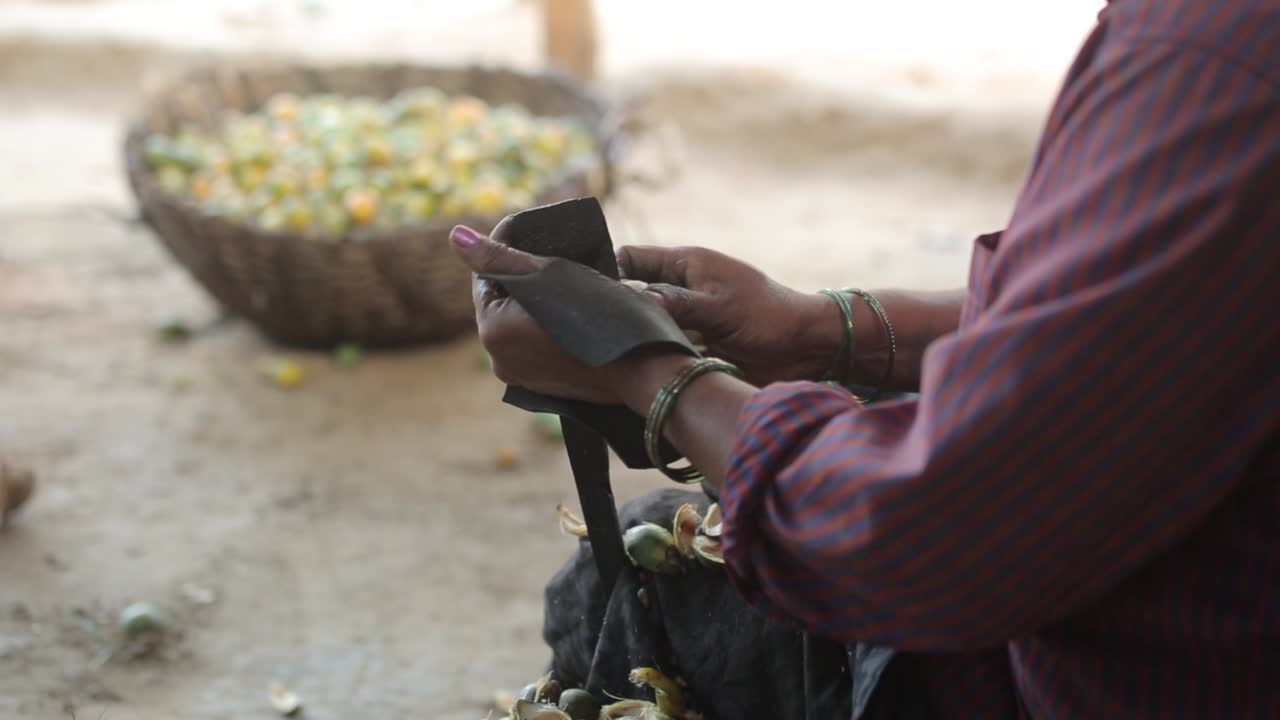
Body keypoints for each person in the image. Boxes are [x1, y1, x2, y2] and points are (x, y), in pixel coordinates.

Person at [454, 0, 1280, 716]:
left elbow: (933, 534)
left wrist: (643, 371)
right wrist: (824, 330)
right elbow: (1140, 329)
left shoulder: (1212, 67)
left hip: (1137, 666)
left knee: (631, 593)